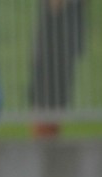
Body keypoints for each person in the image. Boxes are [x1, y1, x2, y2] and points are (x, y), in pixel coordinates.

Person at [28, 0, 86, 138]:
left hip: (59, 44)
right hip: (54, 44)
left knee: (51, 101)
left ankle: (47, 146)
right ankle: (45, 145)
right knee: (47, 101)